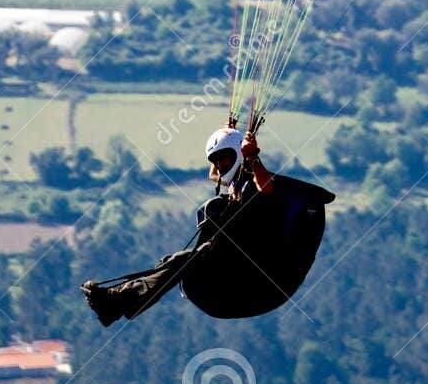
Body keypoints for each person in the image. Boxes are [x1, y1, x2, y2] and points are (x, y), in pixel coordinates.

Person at [81, 124, 333, 327]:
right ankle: (114, 304)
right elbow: (215, 175)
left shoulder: (258, 186)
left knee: (188, 257)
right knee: (179, 257)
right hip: (232, 285)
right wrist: (229, 135)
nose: (221, 165)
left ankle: (114, 304)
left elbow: (267, 187)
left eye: (225, 158)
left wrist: (252, 157)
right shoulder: (238, 182)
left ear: (238, 155)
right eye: (217, 160)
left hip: (262, 286)